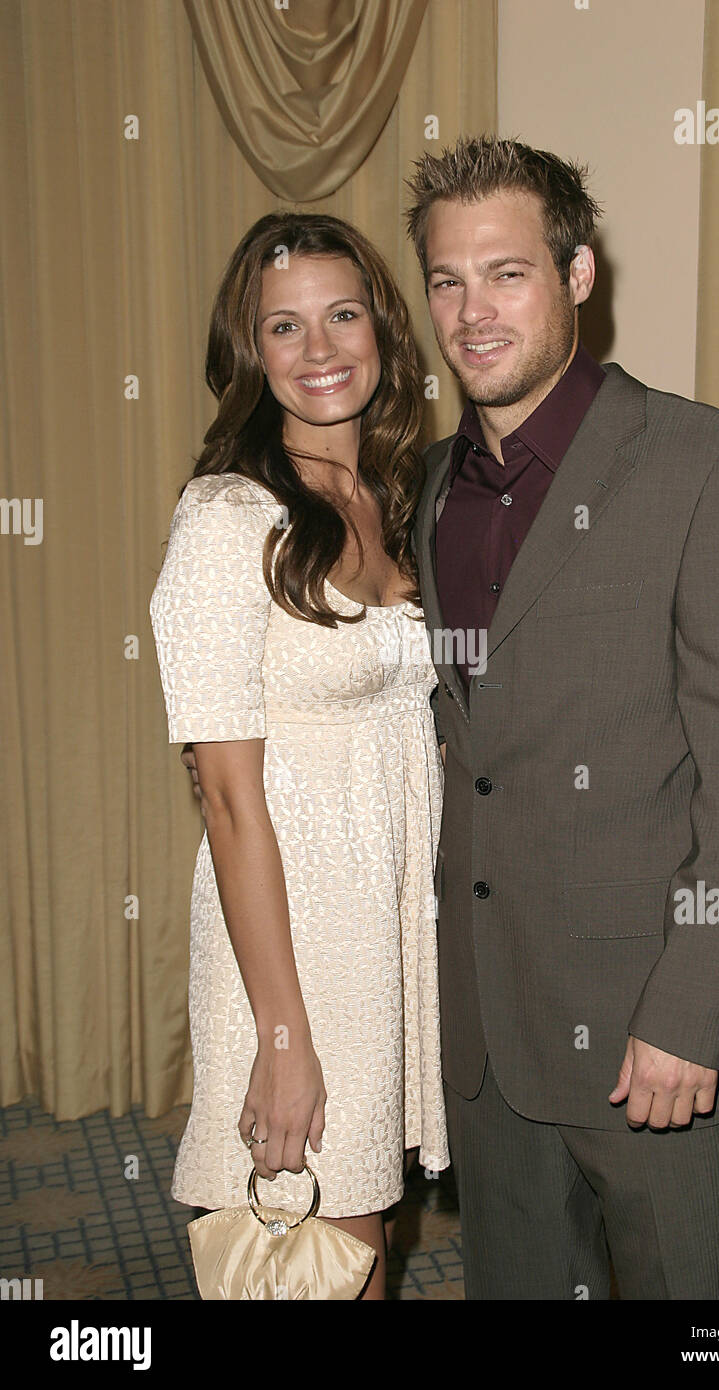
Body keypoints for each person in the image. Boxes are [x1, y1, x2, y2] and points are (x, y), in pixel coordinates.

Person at [400, 135, 719, 1300]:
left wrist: (692, 1013)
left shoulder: (706, 465)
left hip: (656, 1036)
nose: (471, 311)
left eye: (506, 273)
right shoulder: (428, 487)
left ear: (577, 275)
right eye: (445, 278)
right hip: (489, 1030)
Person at [150, 211, 448, 1301]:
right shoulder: (227, 519)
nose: (320, 349)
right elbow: (226, 801)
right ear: (249, 352)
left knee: (351, 1249)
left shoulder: (399, 497)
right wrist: (282, 1034)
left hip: (381, 934)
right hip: (287, 946)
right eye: (285, 326)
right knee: (301, 1256)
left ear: (382, 331)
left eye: (341, 314)